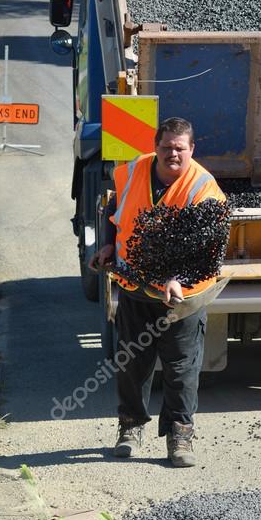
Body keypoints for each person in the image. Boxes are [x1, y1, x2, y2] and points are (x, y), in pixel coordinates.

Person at [92, 116, 226, 467]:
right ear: (155, 146)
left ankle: (180, 437)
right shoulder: (134, 171)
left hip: (182, 299)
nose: (173, 154)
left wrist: (177, 278)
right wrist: (108, 244)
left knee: (181, 368)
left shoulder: (204, 189)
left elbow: (209, 248)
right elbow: (114, 207)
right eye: (166, 147)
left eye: (180, 148)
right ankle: (130, 427)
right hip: (136, 287)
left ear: (192, 149)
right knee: (131, 364)